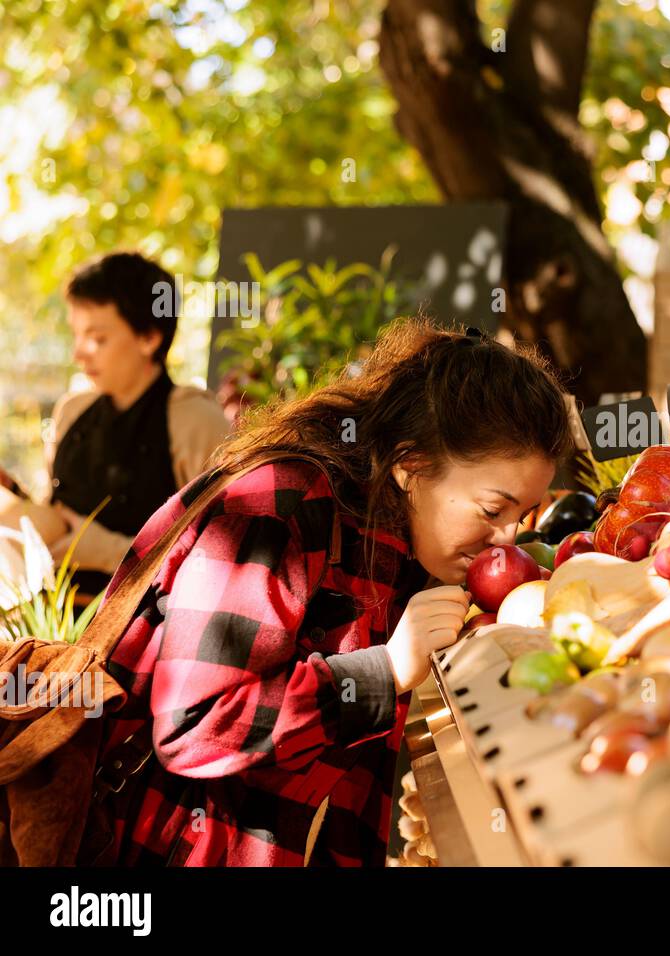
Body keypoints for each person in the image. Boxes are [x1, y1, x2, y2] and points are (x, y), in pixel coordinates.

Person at [88, 321, 573, 866]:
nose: (506, 540)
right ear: (411, 467)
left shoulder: (402, 544)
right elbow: (195, 726)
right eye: (493, 509)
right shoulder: (278, 503)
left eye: (521, 515)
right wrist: (382, 672)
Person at [41, 252, 230, 596]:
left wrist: (108, 551)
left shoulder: (196, 421)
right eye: (76, 334)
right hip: (49, 625)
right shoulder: (70, 411)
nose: (79, 353)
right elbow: (54, 512)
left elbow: (221, 557)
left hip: (145, 637)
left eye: (97, 338)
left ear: (149, 338)